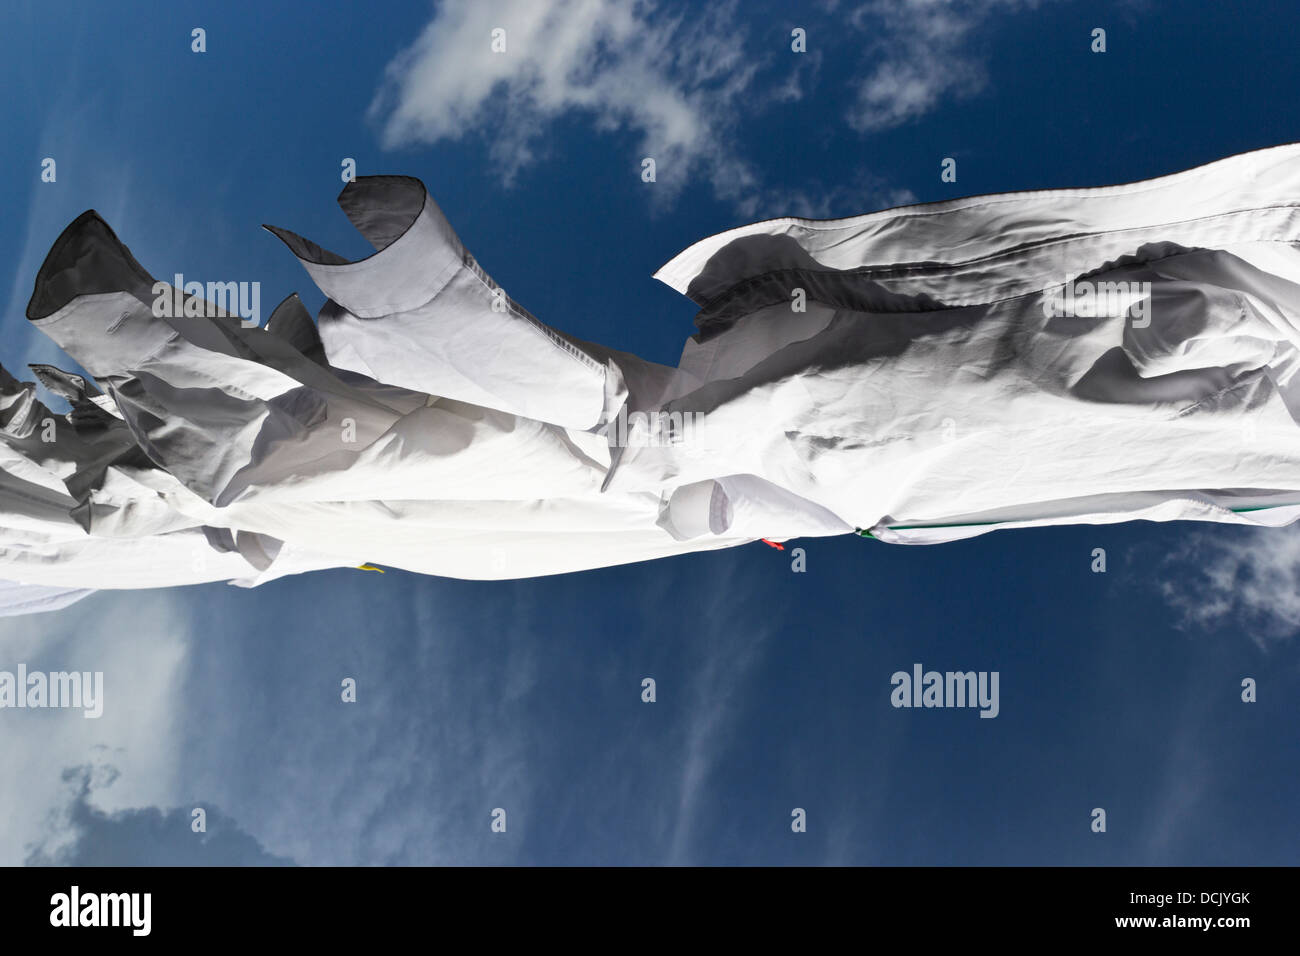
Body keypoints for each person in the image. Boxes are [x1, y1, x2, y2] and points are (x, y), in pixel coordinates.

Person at [6, 142, 1300, 608]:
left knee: (481, 481)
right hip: (760, 467)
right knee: (535, 471)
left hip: (761, 476)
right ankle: (153, 353)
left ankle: (152, 355)